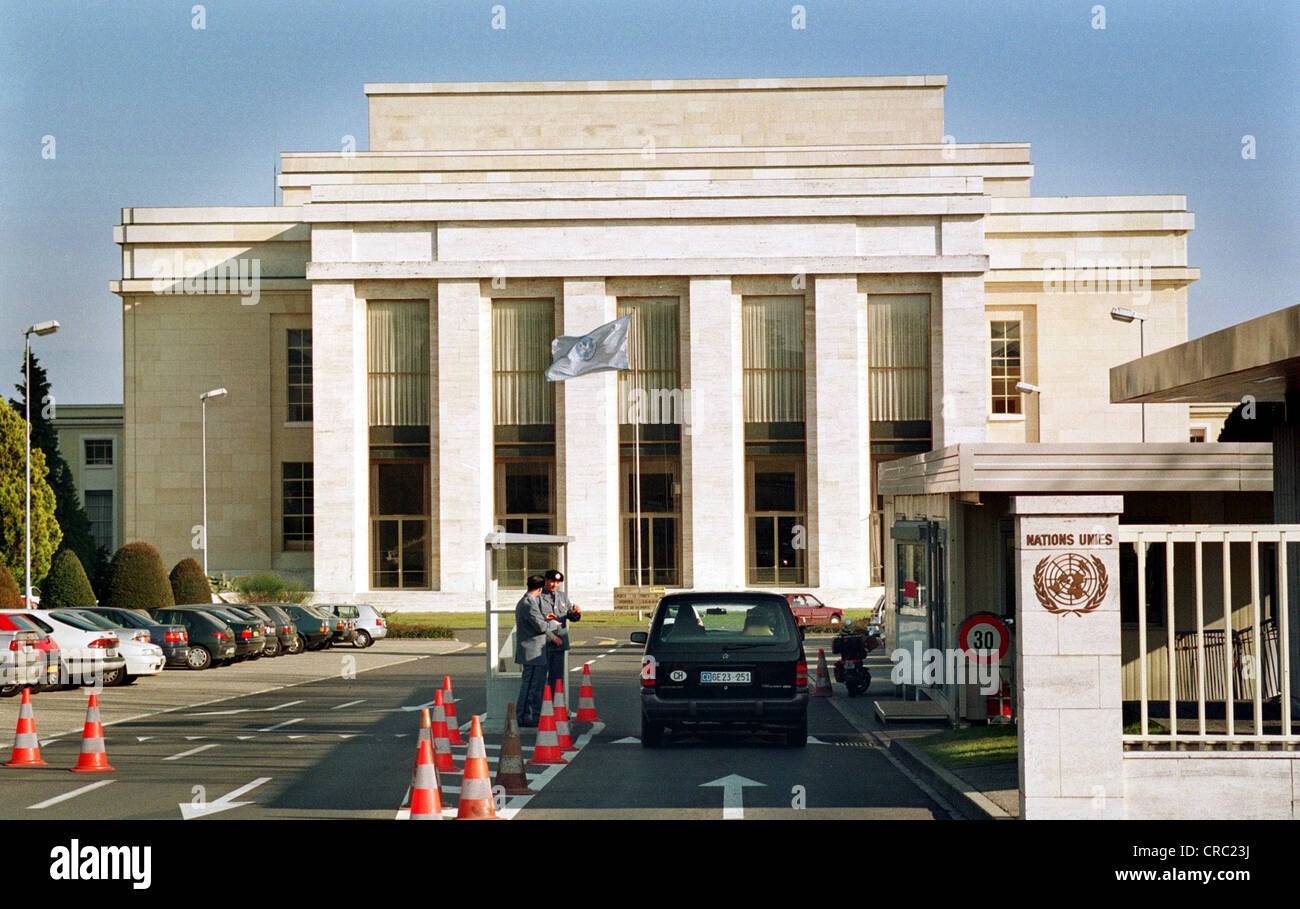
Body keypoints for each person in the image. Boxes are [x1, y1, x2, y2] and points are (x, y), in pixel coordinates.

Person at [515, 574, 561, 727]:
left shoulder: (524, 601)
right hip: (533, 651)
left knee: (529, 684)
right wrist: (554, 624)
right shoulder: (530, 603)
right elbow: (540, 627)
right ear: (541, 588)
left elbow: (534, 619)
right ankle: (529, 716)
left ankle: (524, 715)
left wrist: (543, 616)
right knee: (534, 686)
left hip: (529, 650)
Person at [540, 568, 581, 687]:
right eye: (552, 582)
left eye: (558, 583)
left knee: (557, 679)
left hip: (559, 644)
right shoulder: (539, 596)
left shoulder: (562, 596)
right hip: (544, 643)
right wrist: (551, 637)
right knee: (541, 678)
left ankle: (556, 703)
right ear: (546, 580)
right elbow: (537, 621)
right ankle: (542, 704)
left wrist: (576, 613)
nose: (555, 585)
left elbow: (569, 615)